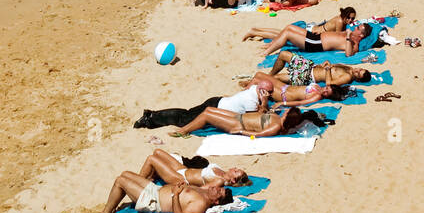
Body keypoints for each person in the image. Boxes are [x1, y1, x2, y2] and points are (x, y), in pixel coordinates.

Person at [134, 82, 270, 132]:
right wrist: (264, 102)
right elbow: (254, 117)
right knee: (184, 121)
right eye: (267, 92)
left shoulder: (253, 89)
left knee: (186, 114)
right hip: (216, 106)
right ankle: (150, 118)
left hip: (217, 101)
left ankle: (151, 116)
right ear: (262, 92)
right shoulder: (252, 101)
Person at [99, 170, 230, 213]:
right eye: (220, 188)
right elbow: (220, 180)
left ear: (216, 202)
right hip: (156, 189)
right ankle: (114, 203)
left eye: (219, 192)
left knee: (120, 181)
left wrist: (176, 195)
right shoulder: (205, 190)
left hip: (153, 201)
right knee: (126, 174)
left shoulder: (201, 204)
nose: (217, 189)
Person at [167, 103, 335, 140]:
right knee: (209, 110)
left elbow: (259, 134)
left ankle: (183, 131)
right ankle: (185, 129)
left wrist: (240, 132)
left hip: (238, 124)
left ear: (287, 118)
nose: (284, 112)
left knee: (206, 115)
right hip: (238, 116)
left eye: (286, 113)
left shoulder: (277, 125)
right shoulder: (279, 119)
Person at [248, 22, 373, 61]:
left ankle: (265, 53)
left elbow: (349, 54)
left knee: (287, 34)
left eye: (358, 28)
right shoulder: (349, 34)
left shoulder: (354, 44)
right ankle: (269, 43)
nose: (355, 27)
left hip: (315, 44)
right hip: (315, 37)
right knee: (289, 28)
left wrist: (347, 36)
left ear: (361, 35)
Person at [137, 148, 250, 190]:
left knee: (151, 159)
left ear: (234, 180)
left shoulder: (219, 181)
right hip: (183, 169)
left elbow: (203, 189)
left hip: (181, 178)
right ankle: (150, 177)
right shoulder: (222, 171)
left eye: (236, 171)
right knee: (157, 152)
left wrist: (186, 187)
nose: (234, 168)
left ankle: (137, 184)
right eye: (237, 168)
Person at [265, 53, 371, 86]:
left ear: (357, 79)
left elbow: (329, 84)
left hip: (308, 77)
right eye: (360, 69)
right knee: (283, 54)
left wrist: (328, 69)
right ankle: (268, 75)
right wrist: (326, 64)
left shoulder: (347, 77)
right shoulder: (349, 68)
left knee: (277, 78)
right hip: (309, 66)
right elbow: (330, 66)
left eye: (358, 74)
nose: (356, 70)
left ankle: (260, 80)